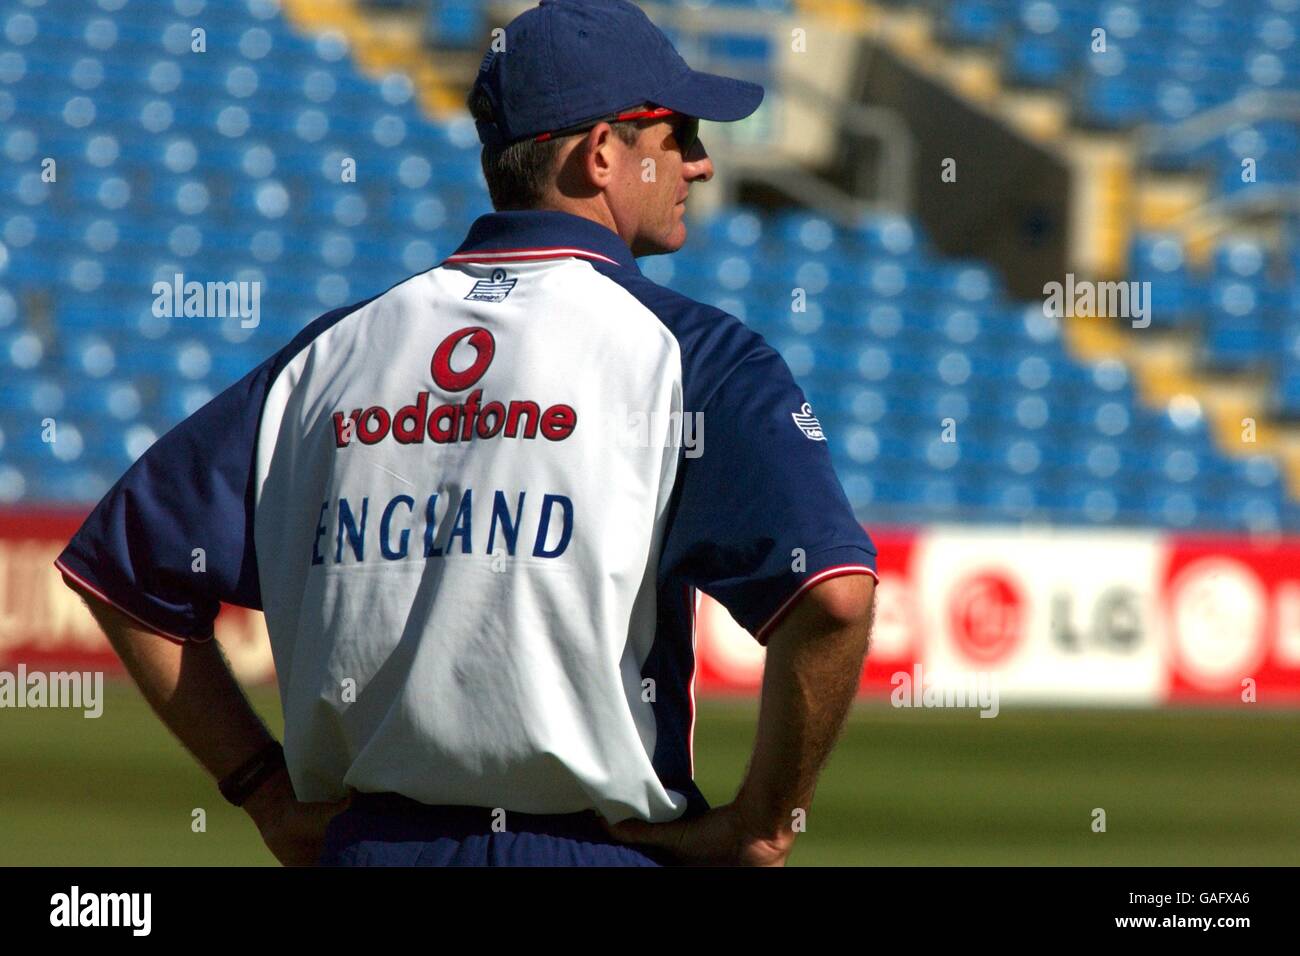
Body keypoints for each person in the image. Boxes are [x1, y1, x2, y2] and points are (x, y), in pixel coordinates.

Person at [56, 0, 877, 867]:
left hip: (368, 848)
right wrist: (764, 821)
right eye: (678, 132)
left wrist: (259, 787)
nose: (703, 163)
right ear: (602, 153)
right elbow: (832, 595)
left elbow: (119, 568)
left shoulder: (329, 353)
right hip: (592, 852)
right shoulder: (695, 355)